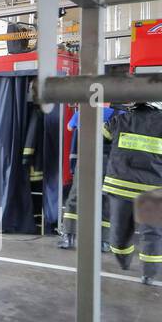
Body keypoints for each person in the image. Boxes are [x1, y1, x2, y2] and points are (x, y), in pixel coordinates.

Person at [102, 102, 162, 285]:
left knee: (120, 227)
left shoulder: (119, 121)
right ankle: (149, 274)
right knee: (153, 231)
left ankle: (123, 262)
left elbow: (101, 141)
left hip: (119, 186)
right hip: (153, 190)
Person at [58, 103, 116, 251]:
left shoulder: (82, 113)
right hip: (107, 161)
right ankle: (104, 241)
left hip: (86, 158)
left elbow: (69, 128)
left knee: (75, 197)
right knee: (105, 199)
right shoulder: (117, 115)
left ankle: (68, 237)